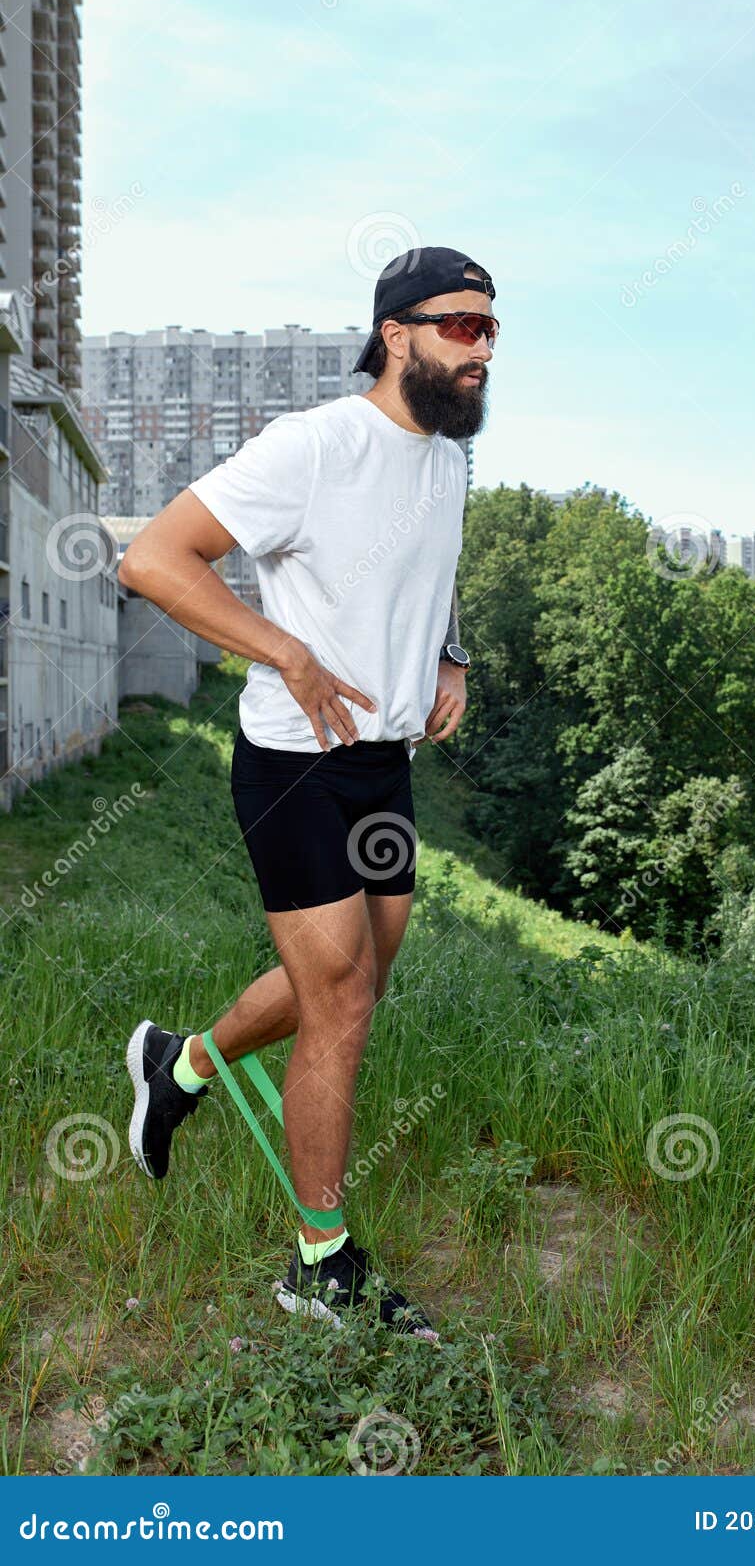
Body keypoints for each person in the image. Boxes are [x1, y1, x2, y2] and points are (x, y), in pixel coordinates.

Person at [119, 247, 497, 1339]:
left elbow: (428, 566)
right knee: (337, 1004)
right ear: (396, 334)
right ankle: (320, 1265)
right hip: (294, 760)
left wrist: (451, 653)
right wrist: (284, 649)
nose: (481, 351)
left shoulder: (444, 459)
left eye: (492, 332)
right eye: (461, 329)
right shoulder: (318, 444)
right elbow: (156, 557)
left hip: (381, 757)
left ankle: (177, 1064)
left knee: (360, 978)